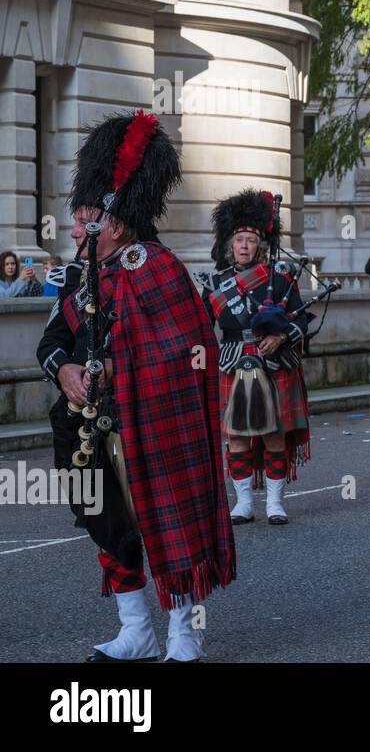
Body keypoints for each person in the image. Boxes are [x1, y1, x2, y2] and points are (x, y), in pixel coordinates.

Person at [36, 109, 234, 662]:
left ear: (114, 223)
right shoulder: (77, 278)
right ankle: (136, 630)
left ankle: (182, 634)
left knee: (166, 524)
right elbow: (49, 346)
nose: (73, 229)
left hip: (150, 424)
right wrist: (66, 372)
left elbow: (192, 351)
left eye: (82, 219)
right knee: (109, 529)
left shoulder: (160, 269)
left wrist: (125, 370)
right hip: (86, 431)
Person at [202, 189, 312, 525]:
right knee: (236, 434)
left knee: (273, 431)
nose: (245, 246)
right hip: (234, 358)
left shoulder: (279, 278)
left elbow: (303, 321)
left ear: (260, 244)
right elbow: (203, 328)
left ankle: (275, 502)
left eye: (251, 240)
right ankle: (244, 503)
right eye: (240, 241)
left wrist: (280, 337)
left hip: (273, 359)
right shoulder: (216, 284)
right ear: (230, 246)